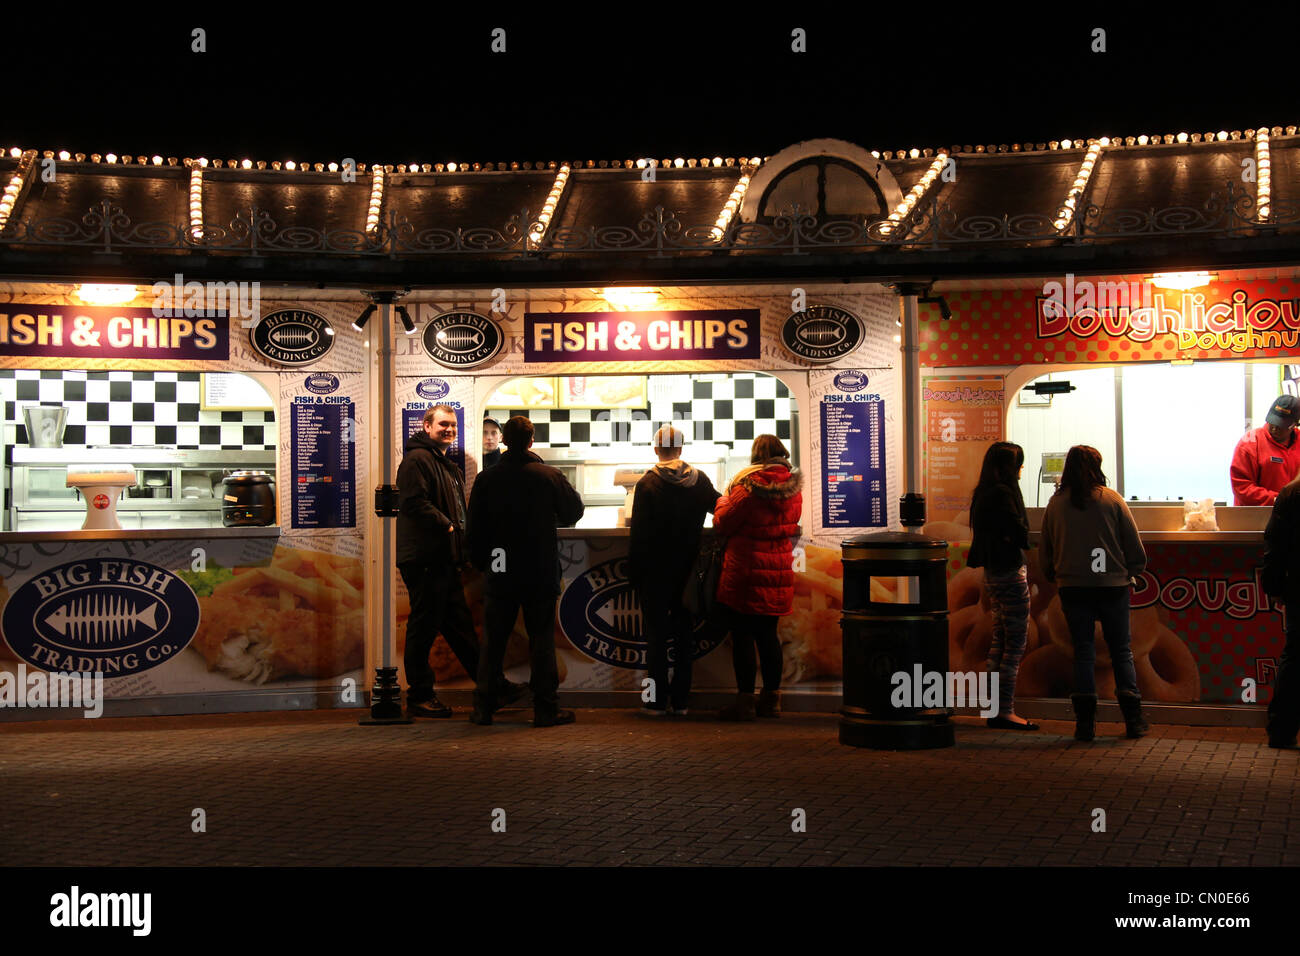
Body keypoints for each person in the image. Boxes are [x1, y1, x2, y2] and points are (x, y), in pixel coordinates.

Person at [396, 404, 523, 718]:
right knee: (423, 628)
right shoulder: (417, 460)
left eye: (452, 425)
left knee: (461, 629)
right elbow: (412, 502)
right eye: (443, 424)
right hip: (425, 558)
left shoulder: (442, 462)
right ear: (427, 427)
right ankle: (419, 697)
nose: (449, 430)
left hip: (442, 558)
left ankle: (491, 688)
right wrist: (449, 525)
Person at [466, 415, 585, 728]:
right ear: (531, 442)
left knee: (493, 642)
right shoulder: (548, 475)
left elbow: (474, 527)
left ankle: (483, 709)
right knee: (541, 639)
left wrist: (483, 565)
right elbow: (574, 511)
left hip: (500, 568)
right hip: (538, 569)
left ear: (504, 440)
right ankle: (545, 709)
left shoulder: (487, 478)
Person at [1039, 445, 1149, 741]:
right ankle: (1133, 721)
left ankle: (1084, 725)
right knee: (1121, 651)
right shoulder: (1112, 500)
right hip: (1112, 587)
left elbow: (1046, 551)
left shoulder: (1056, 503)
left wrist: (1056, 575)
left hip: (1073, 588)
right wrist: (1131, 571)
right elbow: (1134, 549)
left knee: (1083, 653)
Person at [628, 425, 720, 717]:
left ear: (657, 449)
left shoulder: (647, 485)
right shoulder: (699, 480)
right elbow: (721, 507)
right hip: (689, 571)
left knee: (655, 638)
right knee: (683, 636)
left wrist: (635, 573)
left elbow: (639, 535)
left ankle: (654, 702)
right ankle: (681, 702)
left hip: (655, 572)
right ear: (681, 449)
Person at [712, 435, 802, 721]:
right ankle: (772, 701)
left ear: (755, 456)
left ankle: (745, 701)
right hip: (778, 568)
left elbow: (722, 521)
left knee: (742, 636)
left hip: (747, 568)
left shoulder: (747, 488)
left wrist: (723, 499)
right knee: (768, 636)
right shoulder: (793, 489)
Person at [966, 441, 1037, 730]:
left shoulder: (983, 494)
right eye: (1019, 462)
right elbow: (1019, 534)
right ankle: (1005, 710)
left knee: (1000, 640)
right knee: (1015, 643)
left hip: (993, 575)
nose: (1022, 468)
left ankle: (994, 708)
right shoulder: (1004, 495)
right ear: (1009, 467)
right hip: (1009, 573)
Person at [1260, 468, 1300, 748]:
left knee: (1296, 658)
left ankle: (1282, 731)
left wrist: (1274, 586)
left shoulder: (1290, 493)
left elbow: (1275, 544)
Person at [1231, 394, 1300, 505]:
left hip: (1292, 517)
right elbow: (1242, 487)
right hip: (1255, 518)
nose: (1274, 427)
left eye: (1281, 425)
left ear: (1294, 424)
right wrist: (1278, 500)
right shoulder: (1249, 443)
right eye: (1272, 421)